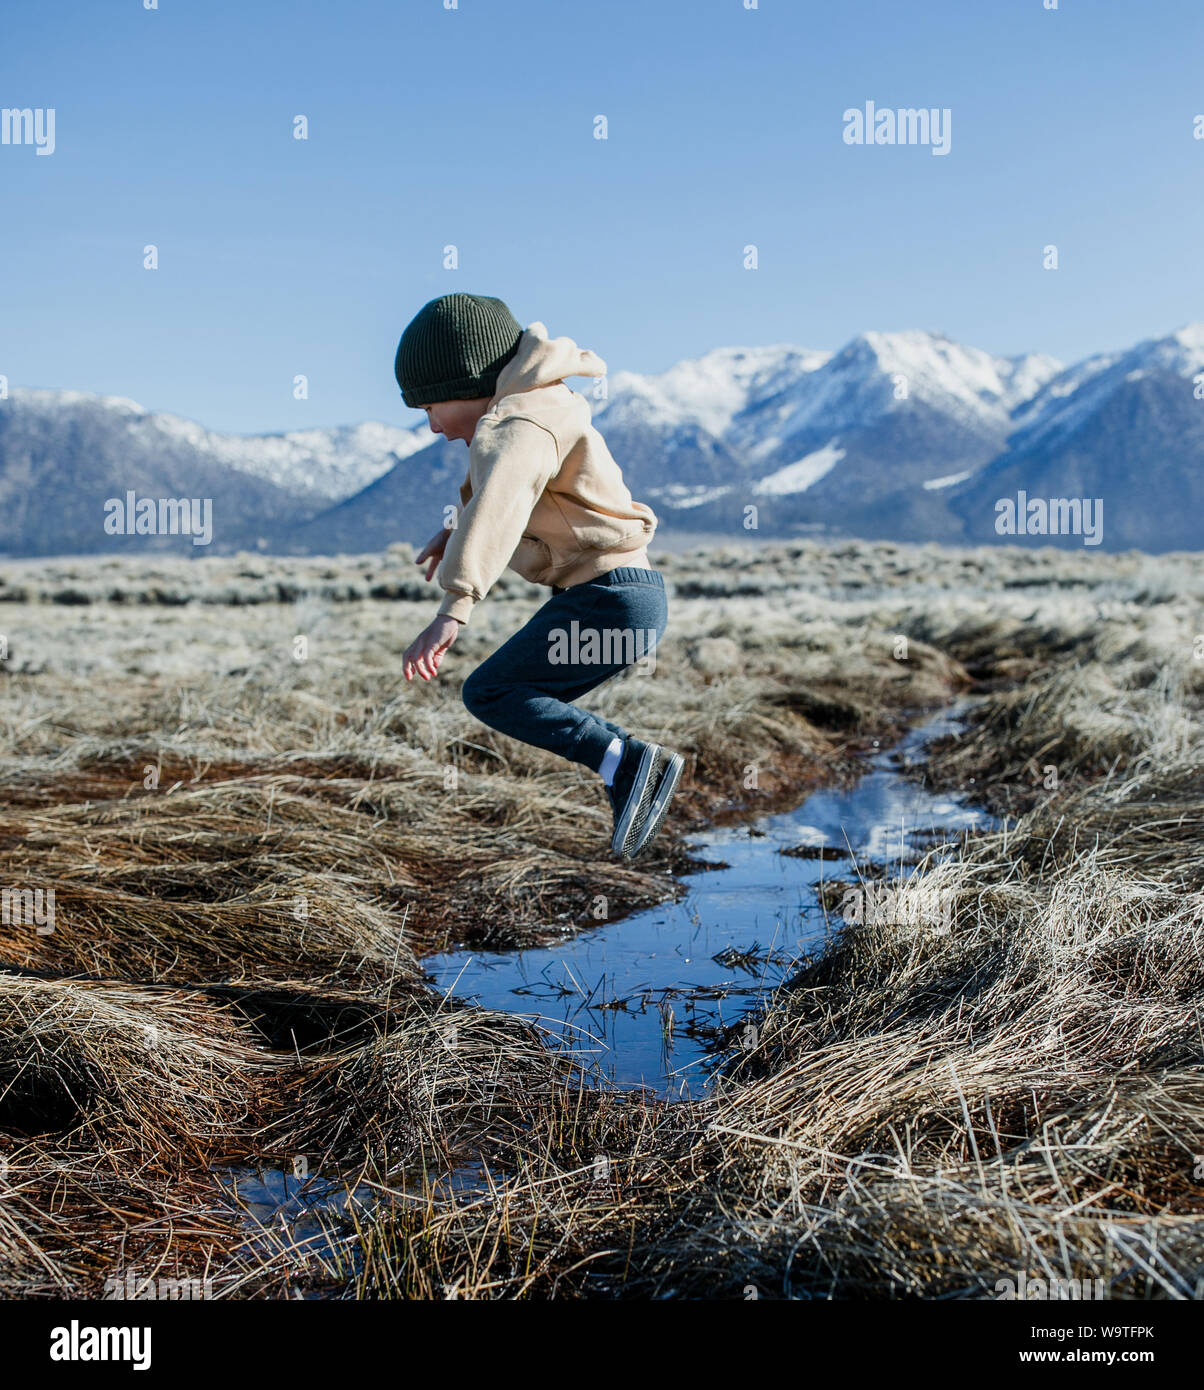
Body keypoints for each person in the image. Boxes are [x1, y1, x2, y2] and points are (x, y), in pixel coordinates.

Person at [395, 292, 683, 861]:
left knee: (493, 691)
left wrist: (453, 608)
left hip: (611, 601)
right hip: (621, 599)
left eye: (430, 407)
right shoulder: (537, 408)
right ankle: (629, 768)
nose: (431, 427)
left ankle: (629, 764)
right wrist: (453, 532)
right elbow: (509, 494)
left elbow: (502, 498)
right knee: (511, 692)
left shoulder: (522, 420)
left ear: (468, 383)